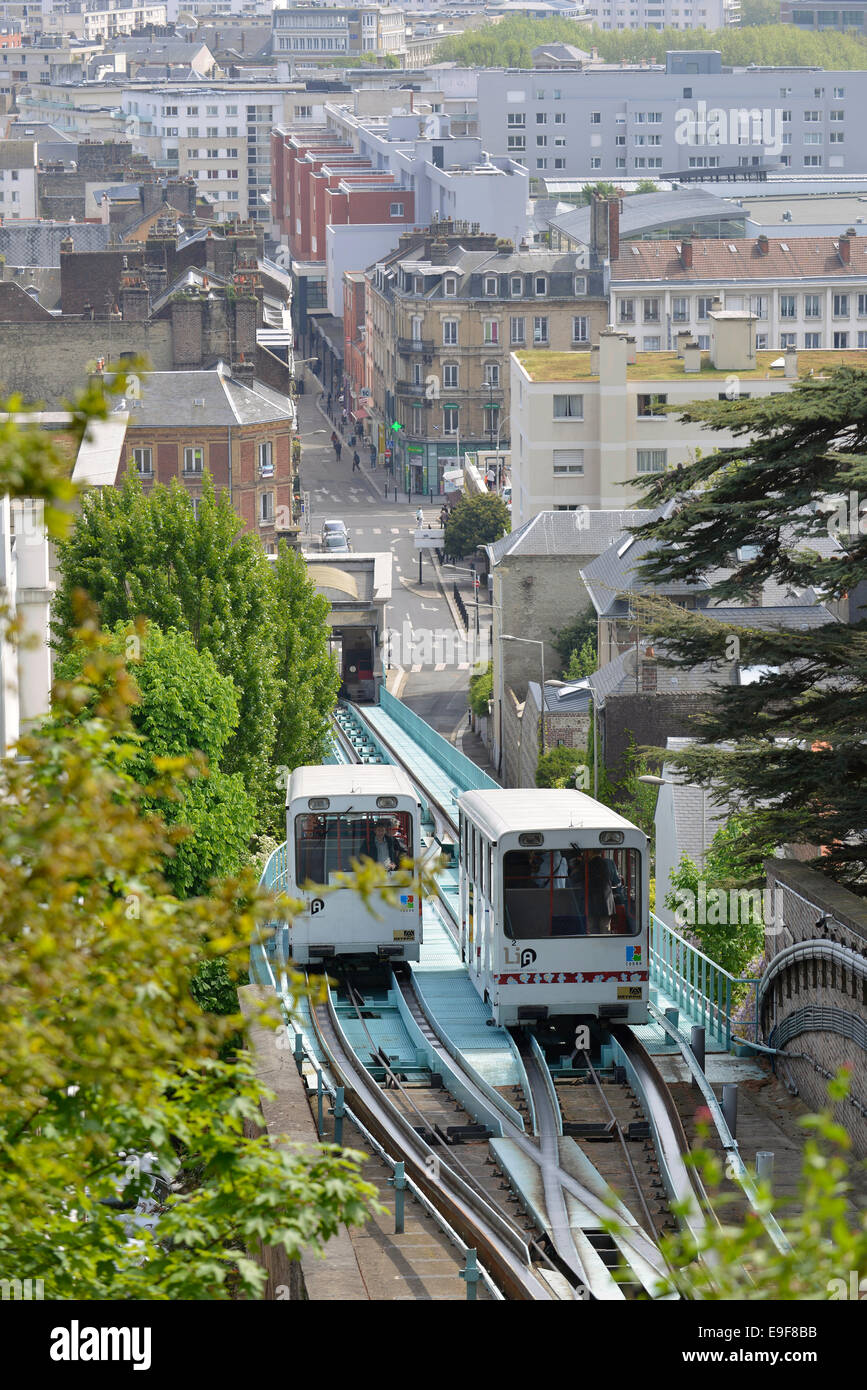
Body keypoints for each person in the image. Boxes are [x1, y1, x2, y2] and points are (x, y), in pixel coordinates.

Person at [586, 850, 616, 933]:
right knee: (605, 928)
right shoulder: (609, 863)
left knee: (592, 929)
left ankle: (594, 945)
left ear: (590, 852)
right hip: (606, 902)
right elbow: (616, 881)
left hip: (592, 901)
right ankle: (605, 946)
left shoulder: (587, 865)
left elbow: (576, 879)